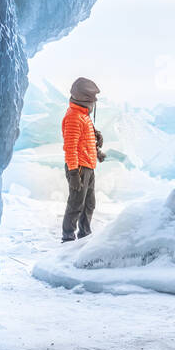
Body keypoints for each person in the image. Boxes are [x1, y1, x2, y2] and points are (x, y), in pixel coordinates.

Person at [61, 76, 105, 242]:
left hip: (88, 165)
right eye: (92, 99)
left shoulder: (82, 115)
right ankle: (68, 238)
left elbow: (83, 138)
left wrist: (96, 137)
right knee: (75, 205)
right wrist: (73, 173)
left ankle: (85, 235)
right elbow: (70, 147)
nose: (94, 103)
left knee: (89, 203)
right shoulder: (73, 117)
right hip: (78, 167)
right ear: (85, 99)